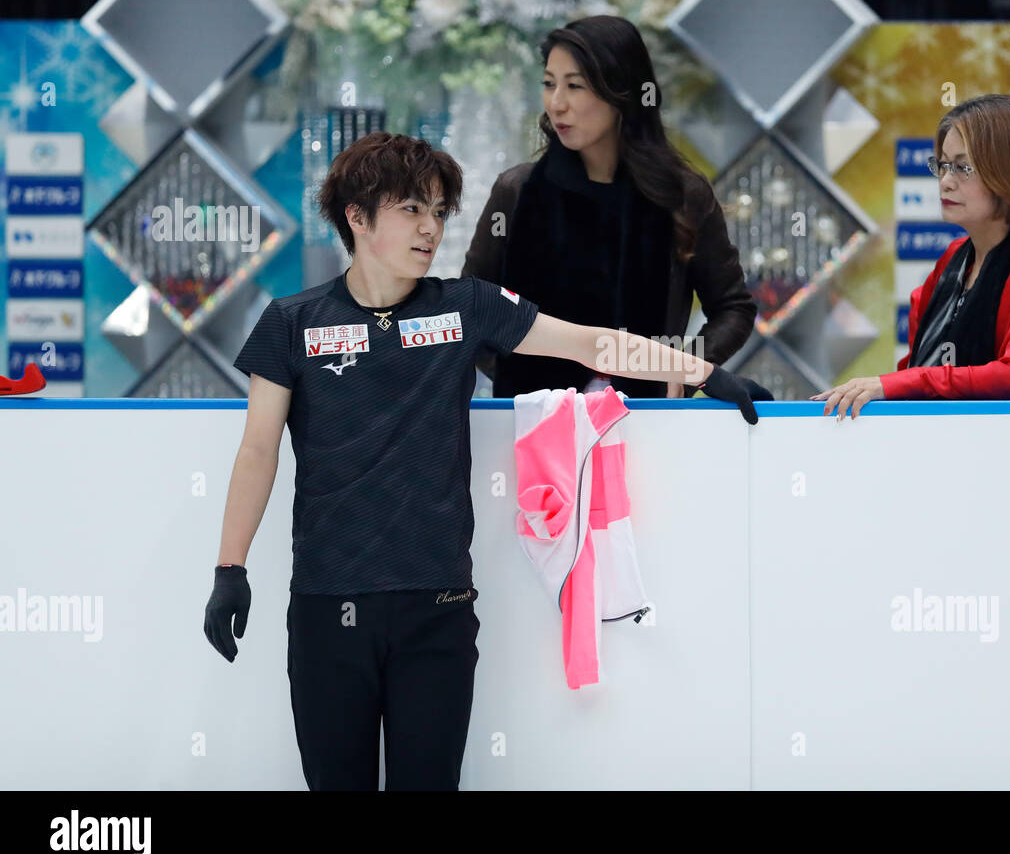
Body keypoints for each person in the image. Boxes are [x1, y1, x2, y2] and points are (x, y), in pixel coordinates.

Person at [203, 132, 765, 791]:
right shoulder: (293, 322)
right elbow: (258, 450)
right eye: (411, 208)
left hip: (436, 609)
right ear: (356, 217)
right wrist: (230, 569)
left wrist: (700, 372)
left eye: (440, 211)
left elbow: (592, 345)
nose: (431, 228)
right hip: (329, 611)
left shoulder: (465, 306)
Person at [461, 14, 757, 399]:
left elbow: (733, 306)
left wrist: (685, 373)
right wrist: (514, 374)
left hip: (646, 419)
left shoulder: (681, 193)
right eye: (549, 85)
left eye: (575, 86)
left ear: (621, 93)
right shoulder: (517, 190)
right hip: (536, 420)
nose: (557, 104)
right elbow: (473, 306)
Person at [815, 94, 1010, 420]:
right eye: (942, 166)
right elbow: (917, 368)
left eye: (962, 168)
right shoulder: (953, 259)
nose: (945, 182)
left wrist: (896, 384)